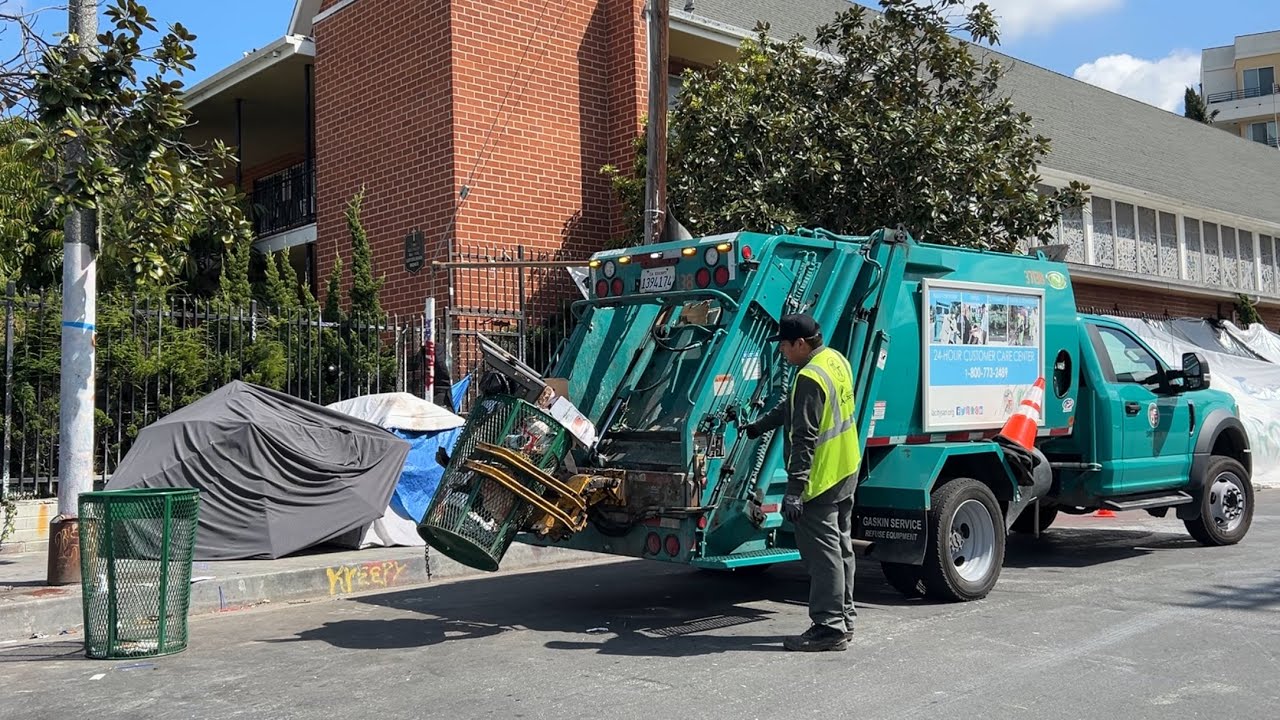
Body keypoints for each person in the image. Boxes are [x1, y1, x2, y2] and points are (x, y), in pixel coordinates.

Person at [741, 314, 861, 652]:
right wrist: (759, 426)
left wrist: (794, 491)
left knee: (823, 557)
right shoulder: (833, 359)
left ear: (800, 344)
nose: (781, 351)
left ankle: (829, 627)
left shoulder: (809, 376)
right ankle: (844, 617)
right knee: (840, 549)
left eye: (783, 345)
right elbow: (795, 407)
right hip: (845, 468)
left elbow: (805, 437)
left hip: (820, 480)